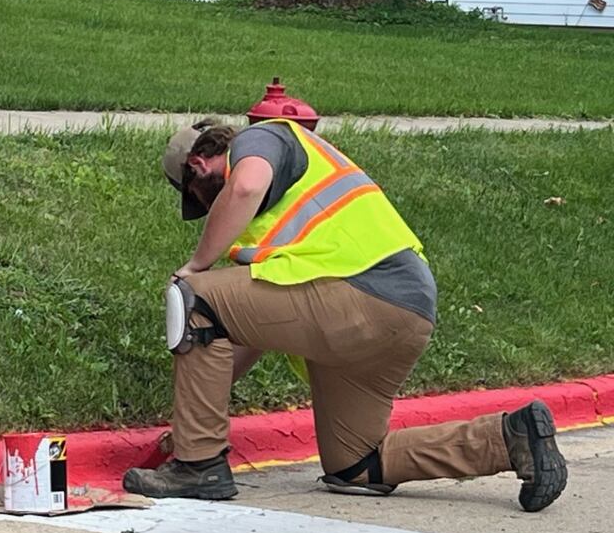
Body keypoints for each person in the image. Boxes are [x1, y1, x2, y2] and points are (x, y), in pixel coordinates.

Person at [123, 117, 568, 511]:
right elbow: (245, 331)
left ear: (198, 166)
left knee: (193, 294)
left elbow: (244, 186)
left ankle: (199, 469)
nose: (206, 212)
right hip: (402, 314)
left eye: (198, 201)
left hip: (363, 291)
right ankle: (512, 438)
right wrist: (195, 414)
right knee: (357, 465)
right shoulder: (272, 224)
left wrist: (196, 266)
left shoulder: (262, 138)